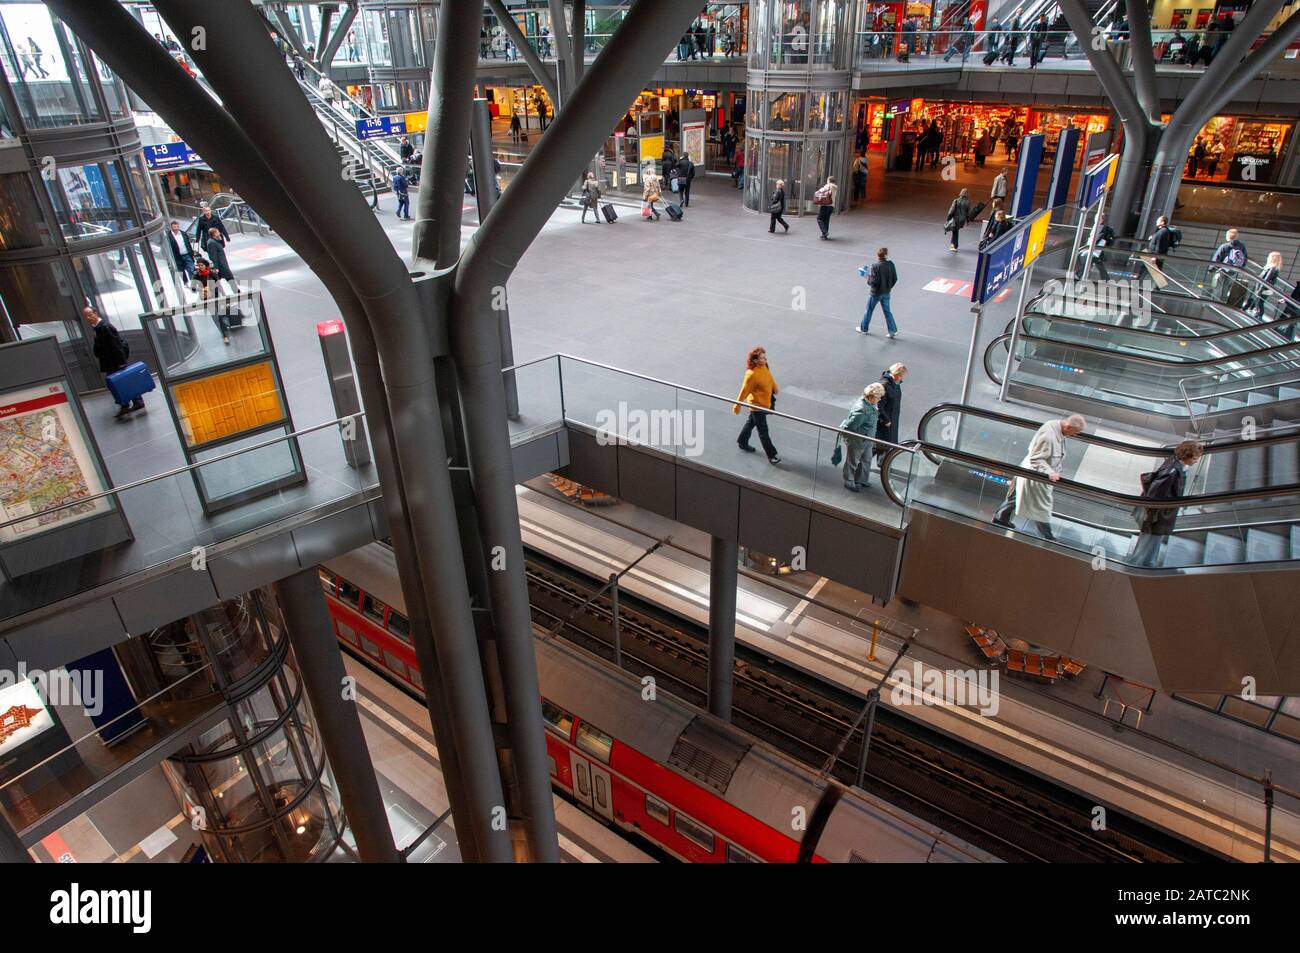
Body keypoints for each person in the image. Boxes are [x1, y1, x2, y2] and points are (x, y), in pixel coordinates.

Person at [991, 414, 1086, 539]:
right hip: (1035, 475)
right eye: (1075, 432)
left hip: (1031, 473)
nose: (1074, 435)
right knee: (1041, 507)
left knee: (1017, 495)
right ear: (1068, 427)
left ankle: (1000, 518)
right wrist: (1050, 472)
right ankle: (1047, 536)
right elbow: (1035, 459)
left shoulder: (1056, 427)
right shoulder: (1048, 437)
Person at [1131, 441, 1204, 567]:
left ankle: (1144, 565)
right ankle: (1138, 567)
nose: (1196, 461)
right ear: (1187, 456)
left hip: (1159, 515)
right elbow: (1155, 495)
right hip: (1157, 516)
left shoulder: (1175, 465)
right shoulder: (1172, 472)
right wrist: (1151, 518)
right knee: (1147, 545)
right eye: (1195, 458)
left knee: (1149, 544)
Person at [85, 306, 144, 418]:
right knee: (121, 383)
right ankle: (133, 402)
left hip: (115, 363)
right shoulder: (98, 328)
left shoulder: (105, 327)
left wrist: (121, 361)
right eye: (86, 316)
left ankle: (128, 404)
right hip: (111, 362)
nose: (88, 318)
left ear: (96, 313)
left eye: (90, 315)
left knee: (119, 384)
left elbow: (116, 345)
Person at [734, 346, 781, 464]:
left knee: (751, 423)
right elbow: (744, 391)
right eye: (762, 358)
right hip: (757, 406)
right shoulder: (751, 374)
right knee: (763, 432)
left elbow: (769, 378)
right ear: (754, 360)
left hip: (765, 403)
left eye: (765, 357)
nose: (765, 360)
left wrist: (775, 388)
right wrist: (737, 405)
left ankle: (742, 441)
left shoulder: (764, 367)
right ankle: (772, 455)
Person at [840, 383, 885, 491]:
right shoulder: (862, 410)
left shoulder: (870, 405)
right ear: (871, 396)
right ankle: (849, 481)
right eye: (878, 397)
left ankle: (861, 480)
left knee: (867, 459)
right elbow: (851, 426)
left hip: (867, 440)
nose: (879, 400)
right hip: (858, 441)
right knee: (852, 461)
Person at [873, 363, 907, 484]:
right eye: (901, 376)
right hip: (885, 421)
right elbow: (879, 405)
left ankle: (883, 463)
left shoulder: (894, 384)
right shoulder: (885, 385)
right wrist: (886, 419)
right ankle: (882, 464)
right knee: (881, 442)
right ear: (896, 375)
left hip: (892, 419)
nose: (902, 379)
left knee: (886, 443)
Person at [857, 246, 899, 337]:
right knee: (887, 311)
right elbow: (895, 278)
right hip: (886, 292)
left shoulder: (875, 266)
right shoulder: (891, 264)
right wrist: (888, 287)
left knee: (869, 310)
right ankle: (892, 330)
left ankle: (864, 328)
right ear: (886, 255)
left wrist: (868, 277)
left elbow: (873, 282)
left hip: (876, 293)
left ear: (878, 256)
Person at [1211, 227, 1249, 305]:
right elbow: (1245, 258)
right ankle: (1223, 301)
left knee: (1219, 285)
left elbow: (1217, 258)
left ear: (1228, 236)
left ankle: (1215, 301)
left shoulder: (1225, 246)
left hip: (1224, 269)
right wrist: (1241, 268)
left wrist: (1211, 269)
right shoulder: (1242, 246)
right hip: (1234, 270)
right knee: (1227, 285)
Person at [1079, 211, 1116, 279]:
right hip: (1096, 249)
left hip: (1096, 249)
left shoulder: (1101, 227)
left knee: (1091, 262)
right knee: (1096, 263)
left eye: (1098, 218)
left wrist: (1091, 246)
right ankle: (1106, 279)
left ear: (1102, 219)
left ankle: (1078, 274)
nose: (1096, 219)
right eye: (1096, 217)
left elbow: (1099, 237)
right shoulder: (1096, 226)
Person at [1250, 250, 1284, 320]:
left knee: (1259, 302)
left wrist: (1260, 289)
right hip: (1265, 288)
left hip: (1264, 288)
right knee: (1260, 302)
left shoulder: (1272, 268)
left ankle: (1258, 316)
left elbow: (1266, 279)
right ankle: (1257, 315)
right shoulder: (1273, 268)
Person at [945, 187, 973, 251]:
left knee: (955, 232)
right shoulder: (968, 202)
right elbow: (968, 213)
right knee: (955, 231)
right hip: (962, 220)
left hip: (955, 219)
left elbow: (951, 211)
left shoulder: (956, 201)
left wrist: (947, 219)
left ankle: (955, 246)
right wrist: (968, 221)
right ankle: (953, 244)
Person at [814, 175, 838, 240]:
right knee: (826, 220)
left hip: (825, 205)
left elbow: (821, 191)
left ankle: (824, 232)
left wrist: (817, 192)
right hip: (831, 206)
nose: (827, 181)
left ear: (829, 180)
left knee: (819, 218)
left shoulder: (828, 186)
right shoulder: (835, 187)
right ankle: (825, 235)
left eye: (827, 180)